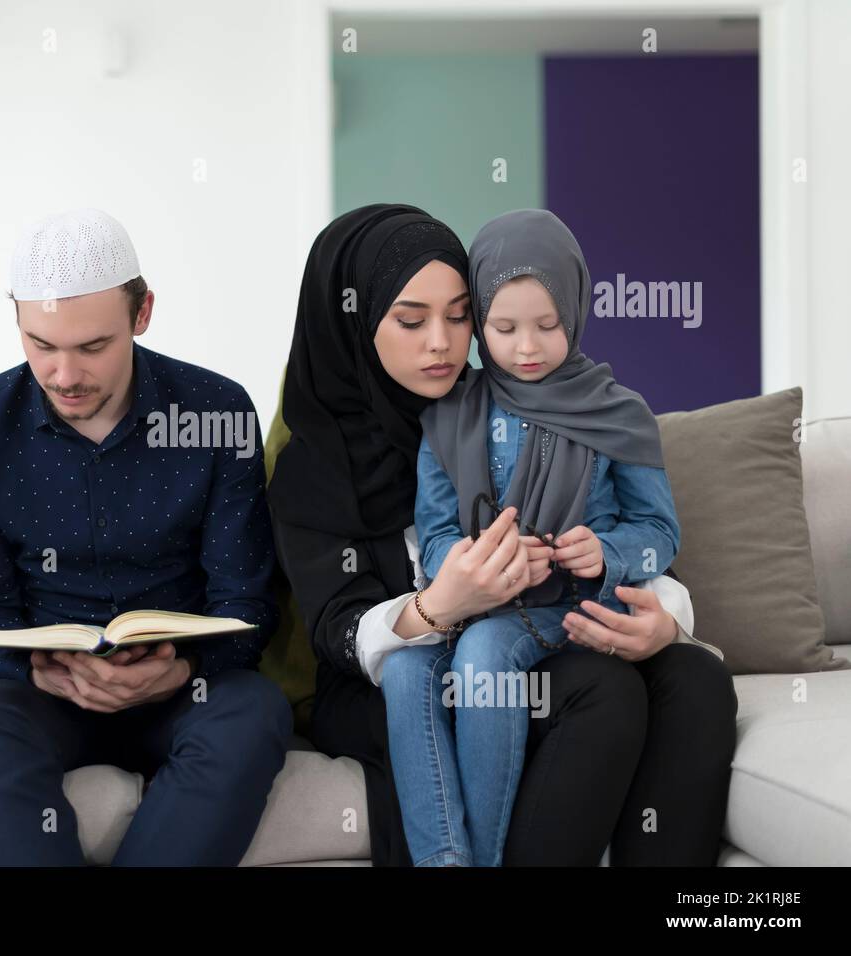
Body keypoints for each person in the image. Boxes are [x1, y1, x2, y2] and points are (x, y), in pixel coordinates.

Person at [267, 203, 736, 866]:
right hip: (394, 666)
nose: (442, 343)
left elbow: (637, 531)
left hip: (539, 622)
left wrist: (665, 619)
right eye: (411, 320)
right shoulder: (314, 459)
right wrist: (443, 600)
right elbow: (337, 631)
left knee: (695, 675)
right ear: (354, 318)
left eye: (459, 315)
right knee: (596, 692)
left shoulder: (525, 397)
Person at [0, 208, 291, 866]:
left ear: (142, 312)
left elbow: (246, 601)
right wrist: (41, 671)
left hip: (184, 688)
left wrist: (182, 670)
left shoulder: (217, 410)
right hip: (44, 693)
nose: (64, 375)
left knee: (255, 711)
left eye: (93, 347)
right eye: (42, 344)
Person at [400, 208, 683, 865]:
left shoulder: (618, 412)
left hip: (572, 606)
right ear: (479, 324)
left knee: (483, 653)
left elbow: (659, 532)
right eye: (504, 329)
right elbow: (436, 538)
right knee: (407, 670)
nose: (527, 347)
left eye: (547, 325)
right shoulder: (449, 418)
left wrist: (607, 553)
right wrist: (474, 564)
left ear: (576, 313)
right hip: (478, 606)